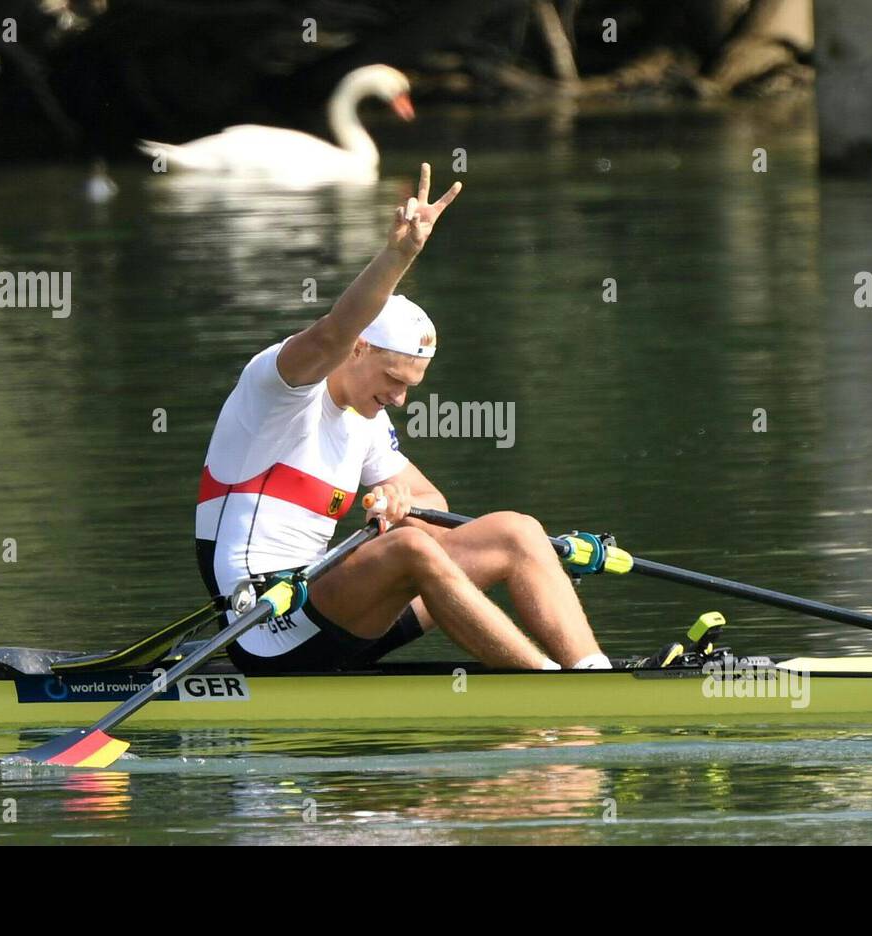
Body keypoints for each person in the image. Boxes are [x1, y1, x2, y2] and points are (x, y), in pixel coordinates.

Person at [196, 163, 611, 673]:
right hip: (263, 626)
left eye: (410, 386)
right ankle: (544, 683)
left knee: (516, 531)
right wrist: (400, 254)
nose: (399, 399)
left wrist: (399, 504)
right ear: (359, 349)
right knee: (411, 547)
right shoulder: (278, 390)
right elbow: (332, 332)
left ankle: (592, 672)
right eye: (393, 379)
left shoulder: (364, 421)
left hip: (335, 617)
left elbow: (433, 505)